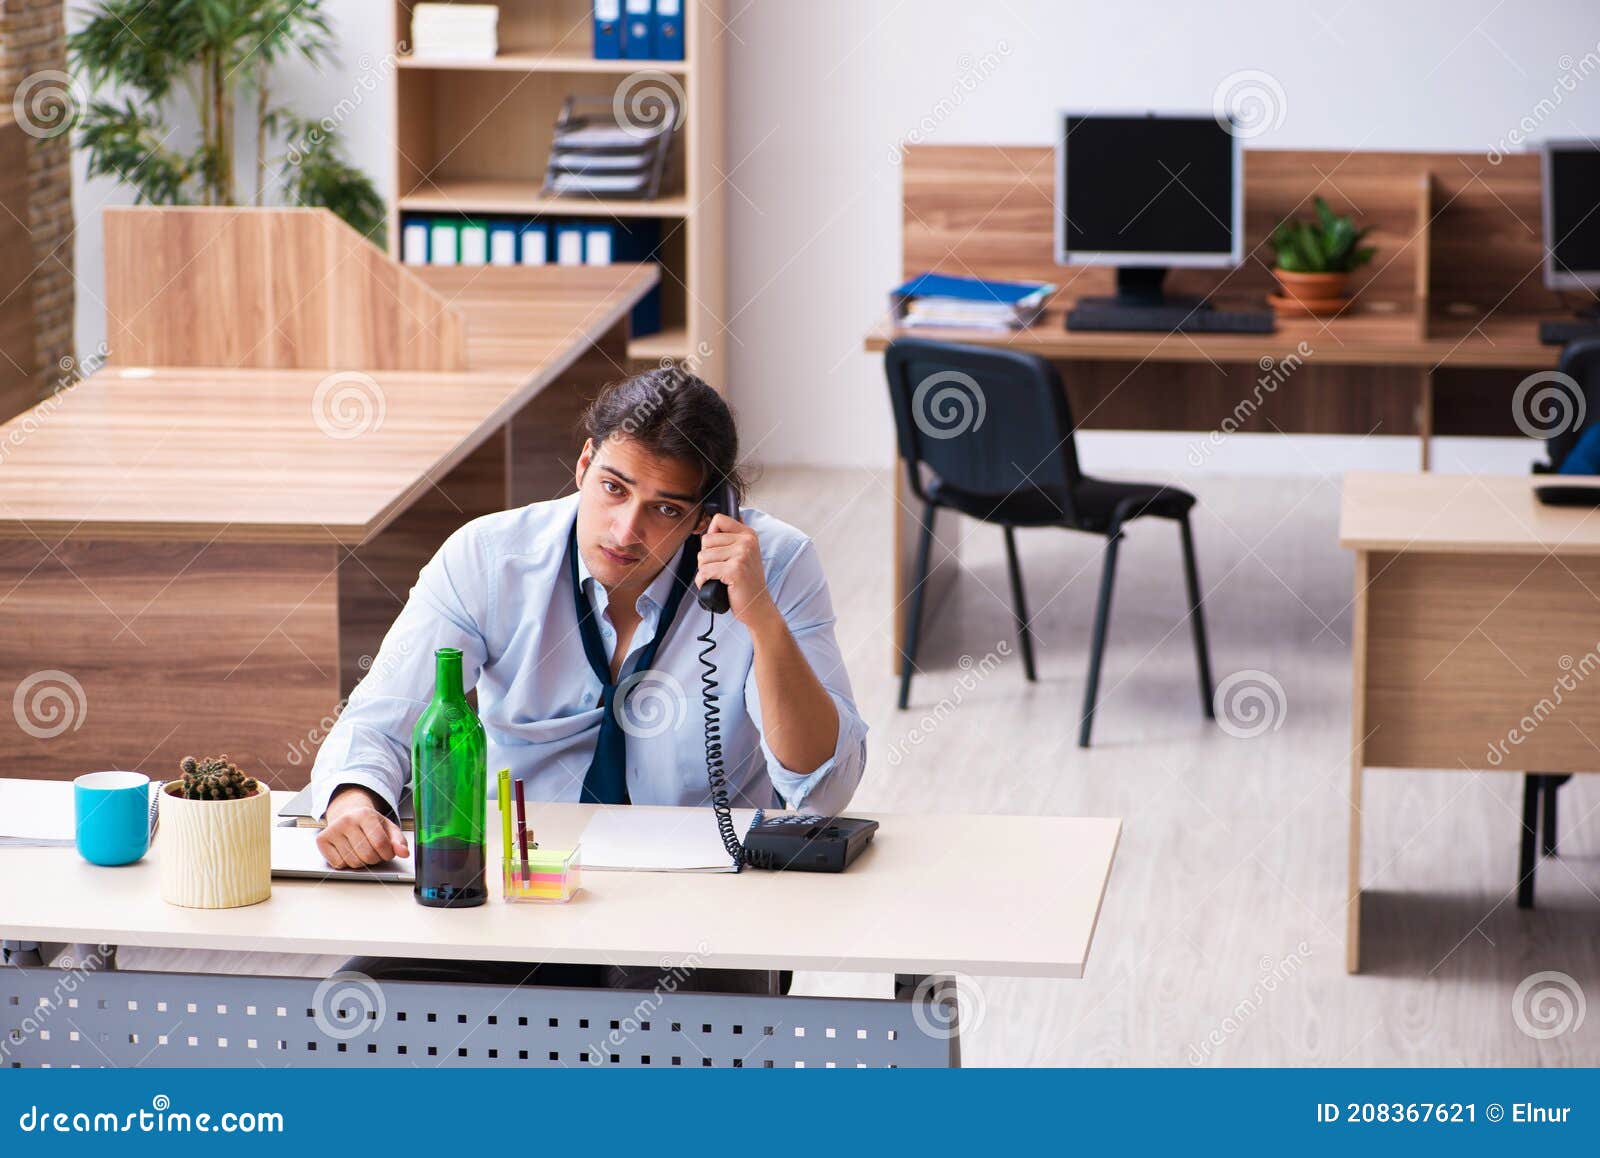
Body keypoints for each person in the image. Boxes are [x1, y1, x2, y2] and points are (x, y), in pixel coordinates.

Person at [307, 368, 866, 989]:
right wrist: (354, 799)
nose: (626, 531)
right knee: (359, 1004)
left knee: (649, 1039)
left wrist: (759, 618)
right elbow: (379, 721)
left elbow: (823, 786)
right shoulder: (489, 558)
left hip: (700, 908)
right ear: (583, 465)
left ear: (711, 514)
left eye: (666, 508)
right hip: (518, 892)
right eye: (613, 488)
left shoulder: (777, 566)